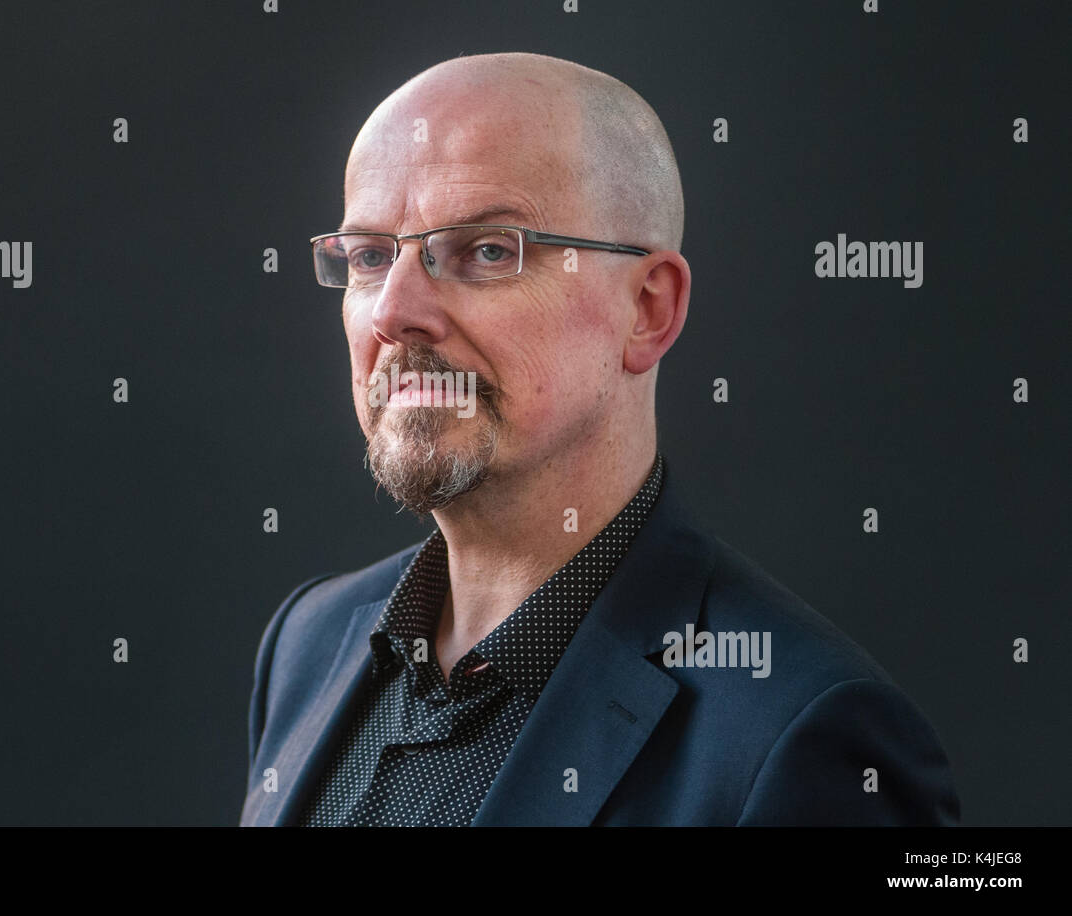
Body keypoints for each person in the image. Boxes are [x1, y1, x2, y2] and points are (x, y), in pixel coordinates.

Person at [240, 52, 960, 826]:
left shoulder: (799, 732)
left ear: (647, 309)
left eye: (487, 251)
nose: (394, 312)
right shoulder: (308, 643)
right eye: (371, 257)